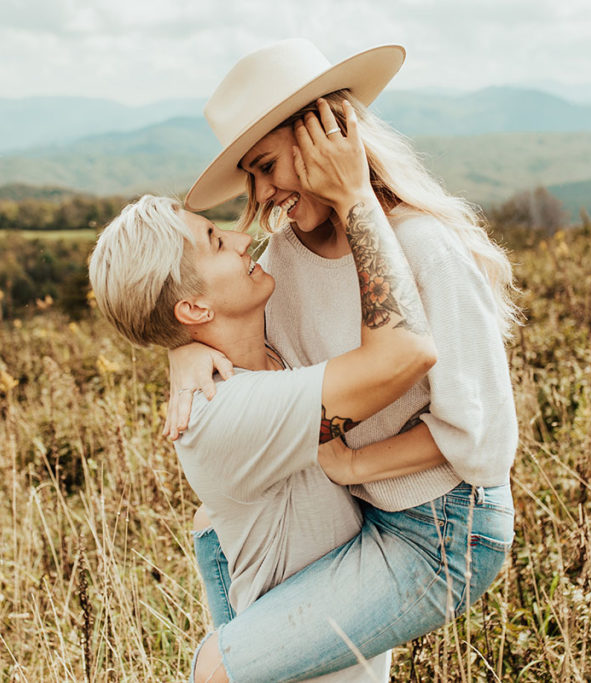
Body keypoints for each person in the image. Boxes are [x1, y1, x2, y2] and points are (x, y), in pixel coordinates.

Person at [167, 39, 519, 681]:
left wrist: (353, 463)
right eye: (251, 175)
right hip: (358, 504)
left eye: (268, 165)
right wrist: (187, 353)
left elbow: (486, 443)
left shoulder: (423, 249)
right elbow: (238, 333)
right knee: (212, 531)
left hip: (445, 530)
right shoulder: (282, 262)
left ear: (329, 135)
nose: (263, 192)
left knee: (222, 666)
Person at [88, 98, 447, 682]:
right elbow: (404, 353)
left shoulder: (265, 351)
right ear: (195, 305)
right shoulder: (228, 411)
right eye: (212, 239)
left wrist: (182, 346)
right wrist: (356, 197)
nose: (239, 237)